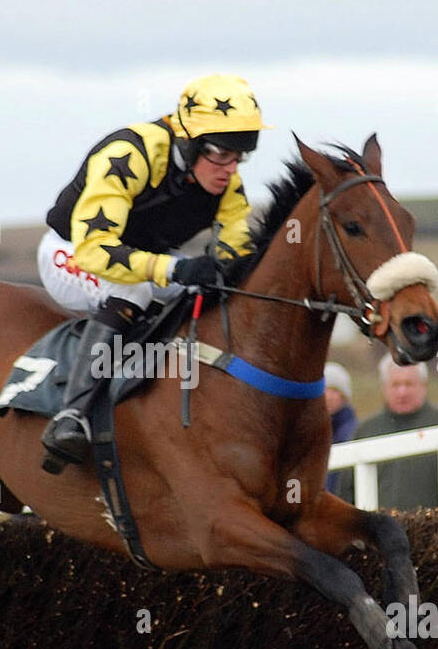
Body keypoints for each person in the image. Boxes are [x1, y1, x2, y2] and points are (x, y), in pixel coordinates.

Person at [37, 73, 271, 470]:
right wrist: (176, 270)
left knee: (199, 297)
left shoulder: (226, 181)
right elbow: (95, 251)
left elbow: (236, 254)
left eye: (239, 156)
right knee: (137, 293)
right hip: (72, 252)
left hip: (136, 264)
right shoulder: (130, 154)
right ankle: (70, 416)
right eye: (219, 153)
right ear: (188, 141)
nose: (229, 169)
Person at [353, 358, 438, 510]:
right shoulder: (366, 430)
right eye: (395, 385)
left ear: (424, 385)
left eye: (409, 384)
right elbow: (347, 492)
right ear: (384, 387)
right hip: (380, 531)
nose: (402, 392)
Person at [323, 362, 358, 503]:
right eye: (325, 389)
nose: (329, 396)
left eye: (335, 391)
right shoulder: (308, 433)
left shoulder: (353, 432)